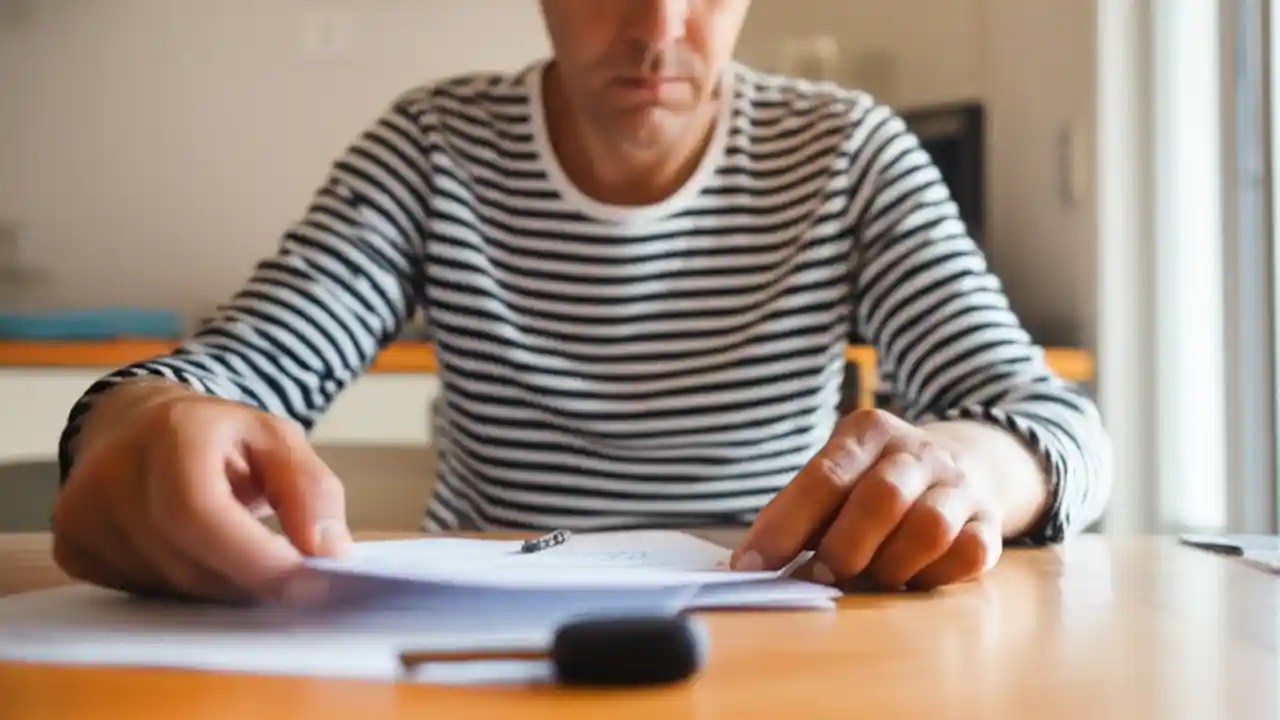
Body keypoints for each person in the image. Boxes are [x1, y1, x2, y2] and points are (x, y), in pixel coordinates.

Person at [50, 0, 1110, 603]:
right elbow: (234, 372)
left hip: (769, 625)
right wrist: (138, 423)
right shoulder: (434, 146)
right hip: (471, 634)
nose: (659, 26)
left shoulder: (847, 153)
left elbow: (1055, 422)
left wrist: (971, 467)